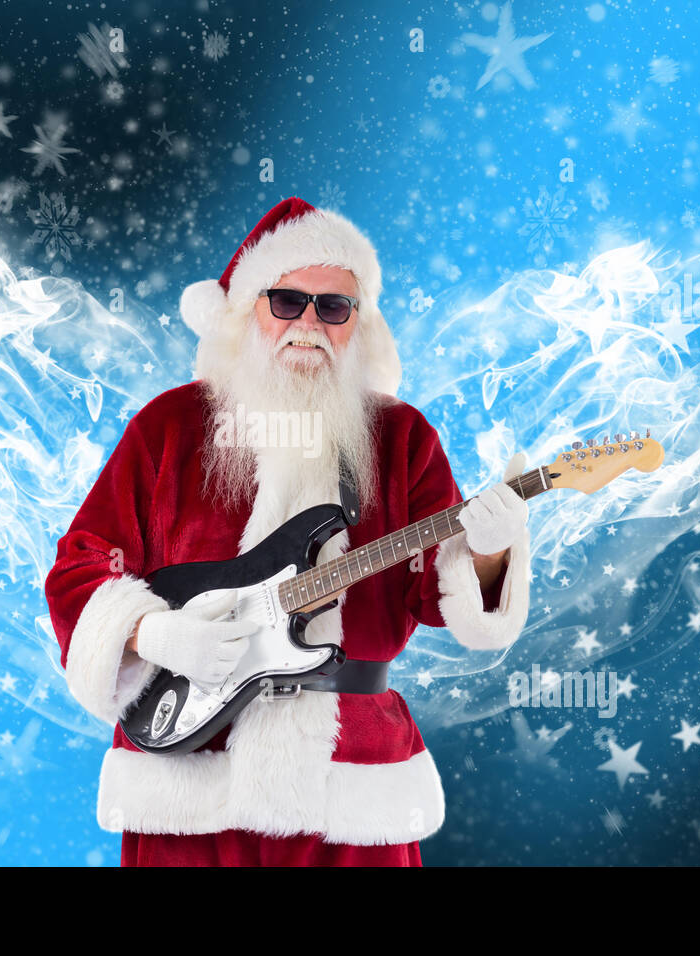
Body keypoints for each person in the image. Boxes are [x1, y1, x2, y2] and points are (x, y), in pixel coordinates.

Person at [44, 196, 532, 866]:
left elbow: (435, 600)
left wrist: (491, 551)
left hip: (351, 781)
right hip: (189, 776)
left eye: (334, 308)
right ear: (247, 311)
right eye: (286, 302)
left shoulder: (402, 437)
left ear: (356, 326)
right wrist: (150, 632)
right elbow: (81, 564)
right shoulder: (169, 426)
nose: (309, 323)